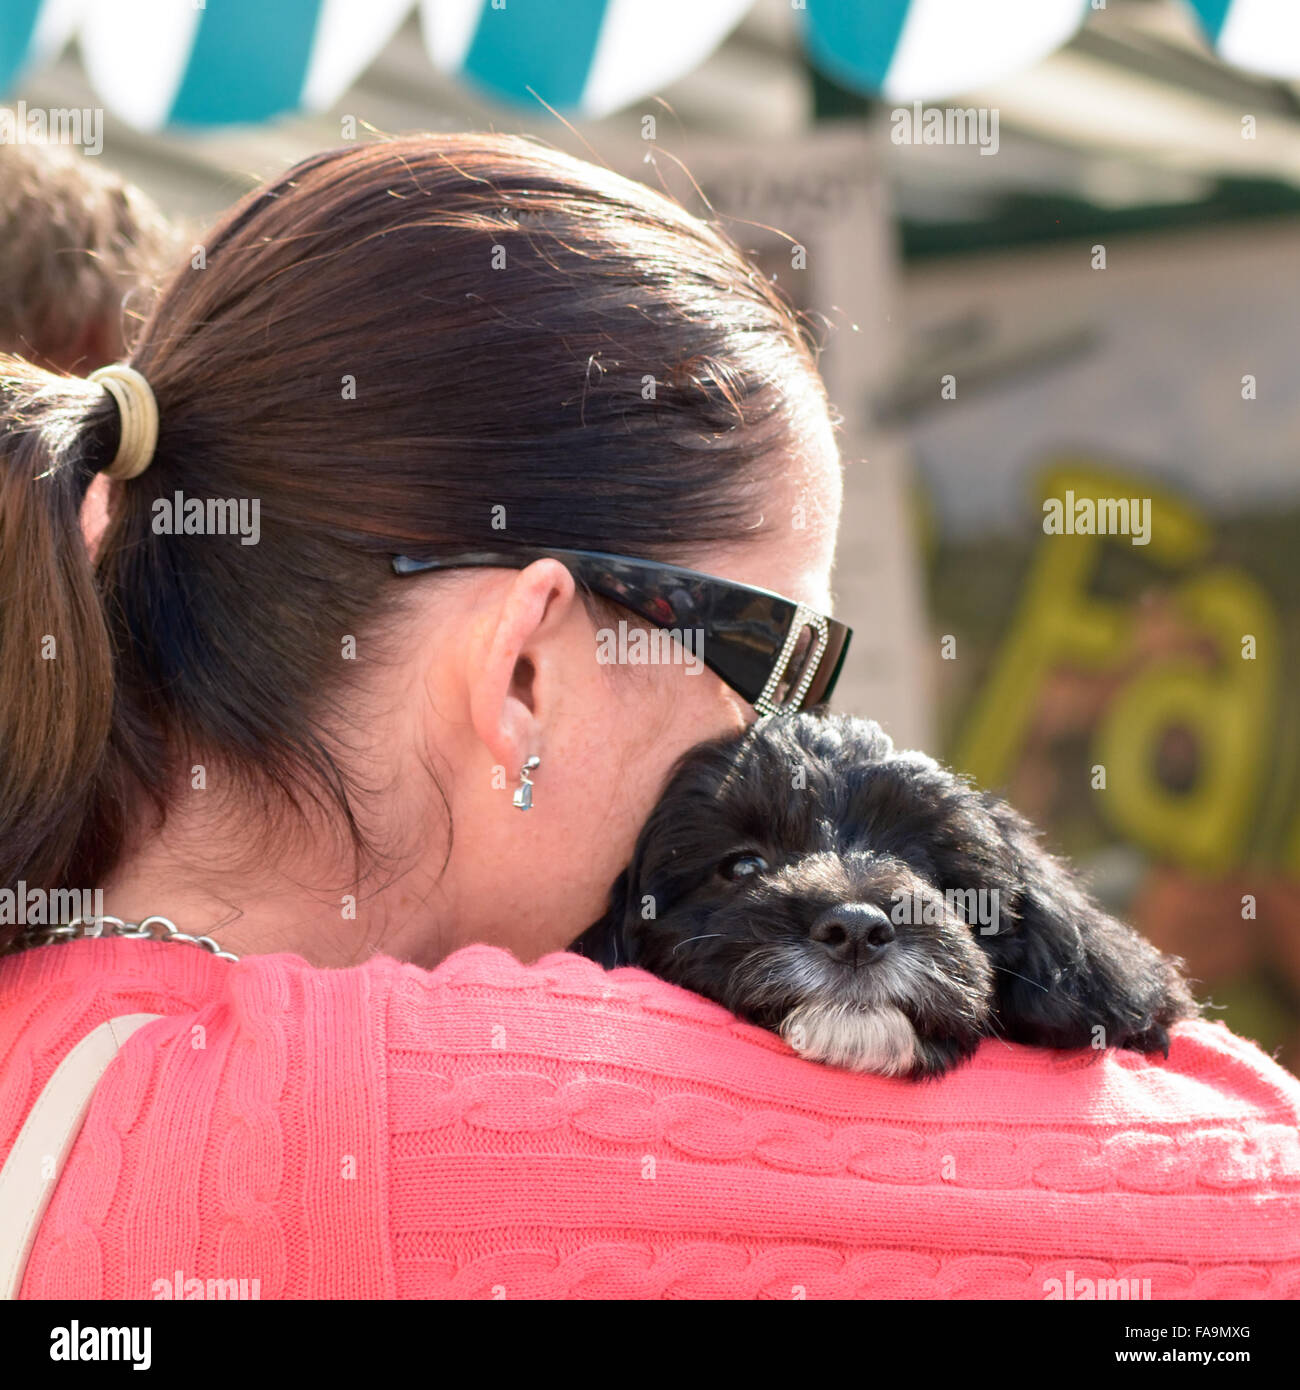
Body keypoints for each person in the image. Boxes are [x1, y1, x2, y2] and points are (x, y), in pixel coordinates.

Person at [0, 134, 1296, 1300]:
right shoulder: (475, 1114)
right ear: (525, 670)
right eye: (773, 650)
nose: (781, 726)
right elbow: (1259, 1197)